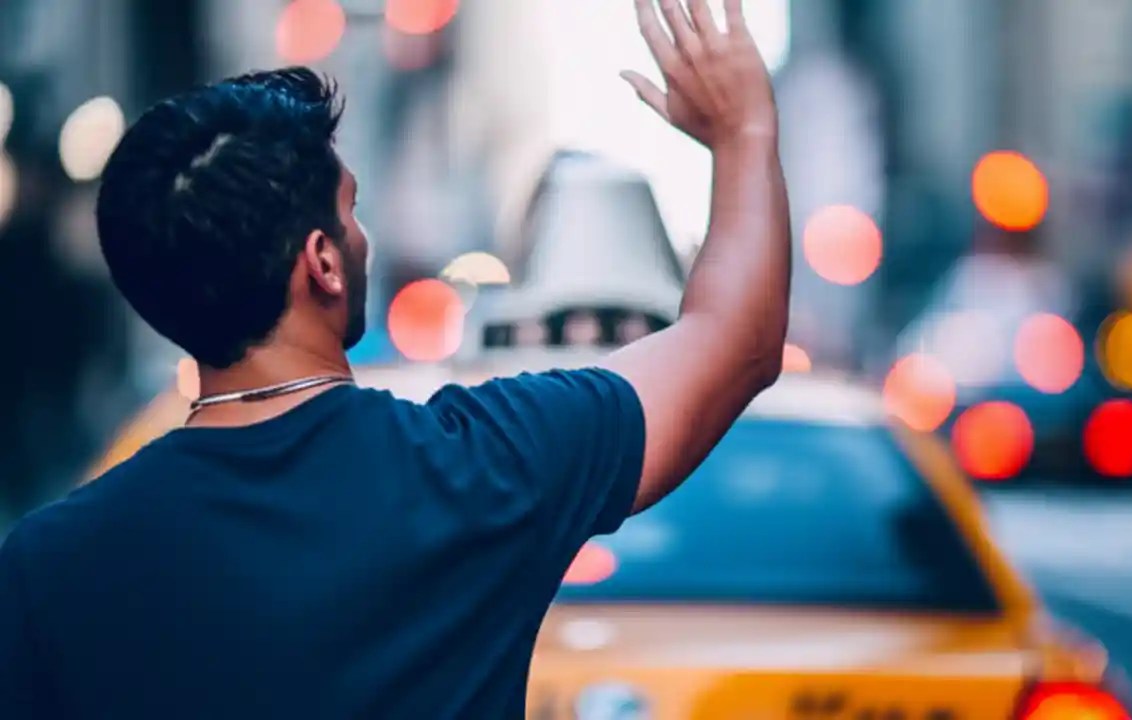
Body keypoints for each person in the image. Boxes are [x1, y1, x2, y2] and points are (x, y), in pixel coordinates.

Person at [0, 0, 790, 716]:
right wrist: (743, 131)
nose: (363, 234)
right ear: (324, 263)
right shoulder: (481, 466)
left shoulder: (48, 565)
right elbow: (736, 341)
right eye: (351, 211)